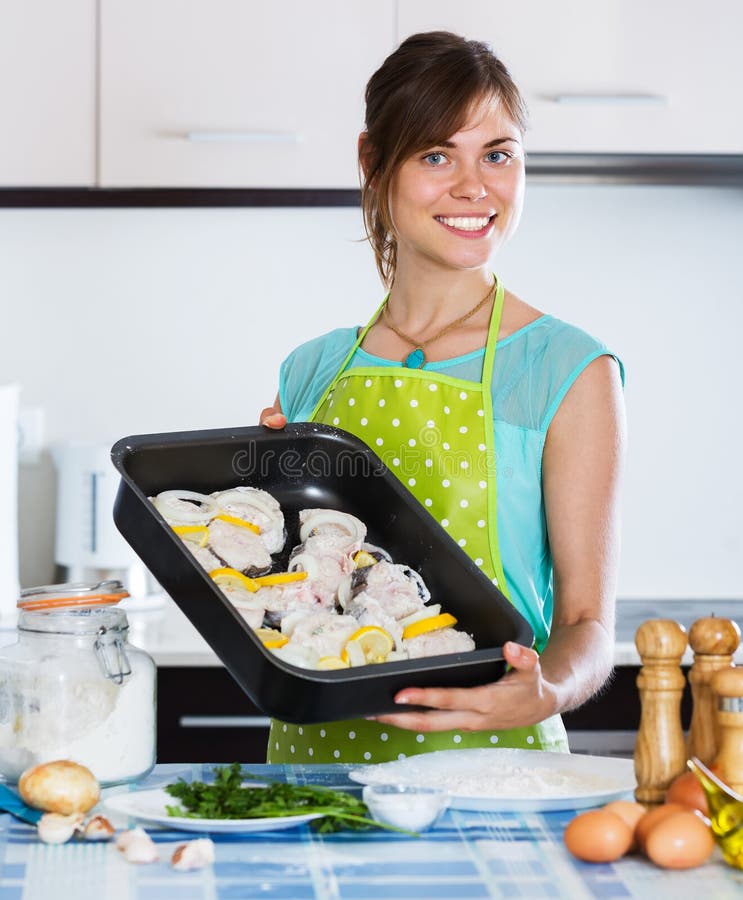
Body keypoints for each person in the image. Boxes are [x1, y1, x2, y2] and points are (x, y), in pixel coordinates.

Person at [259, 31, 626, 764]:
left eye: (498, 154)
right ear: (372, 163)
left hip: (494, 772)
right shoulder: (312, 370)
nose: (474, 186)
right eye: (436, 155)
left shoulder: (566, 368)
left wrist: (547, 689)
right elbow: (286, 592)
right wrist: (244, 511)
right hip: (315, 772)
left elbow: (586, 624)